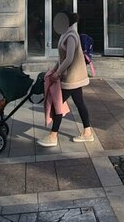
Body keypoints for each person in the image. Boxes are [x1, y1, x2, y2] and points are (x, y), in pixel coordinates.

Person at [38, 12, 94, 147]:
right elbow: (62, 57)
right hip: (72, 76)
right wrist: (55, 69)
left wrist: (58, 72)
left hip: (71, 77)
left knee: (57, 103)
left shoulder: (71, 36)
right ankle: (87, 132)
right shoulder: (66, 34)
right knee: (79, 103)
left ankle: (53, 135)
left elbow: (69, 58)